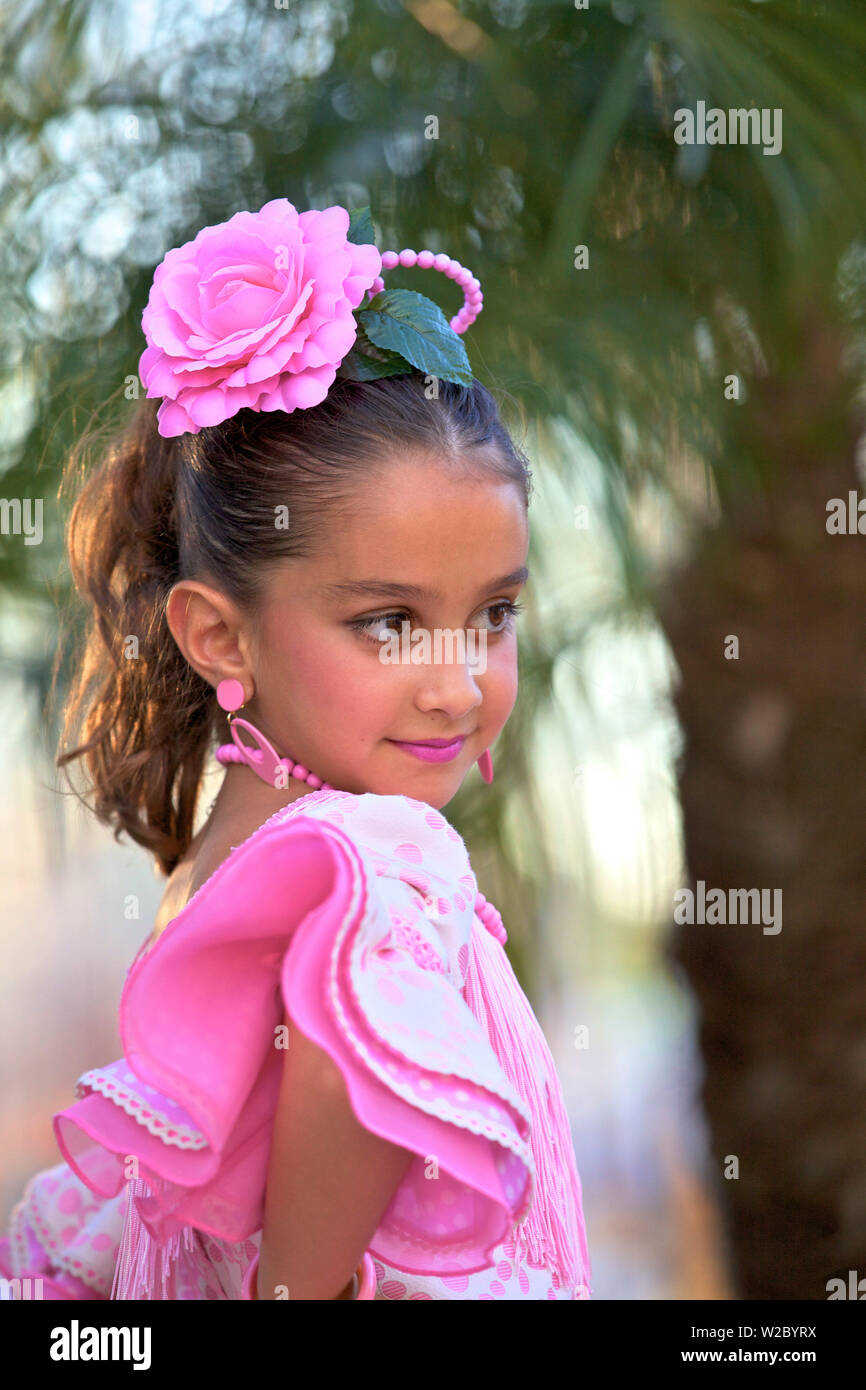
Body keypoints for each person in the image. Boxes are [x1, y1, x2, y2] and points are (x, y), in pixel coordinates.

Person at [0, 199, 592, 1301]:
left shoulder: (229, 839)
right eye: (389, 623)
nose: (458, 681)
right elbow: (353, 1071)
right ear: (219, 635)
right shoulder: (382, 853)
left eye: (493, 616)